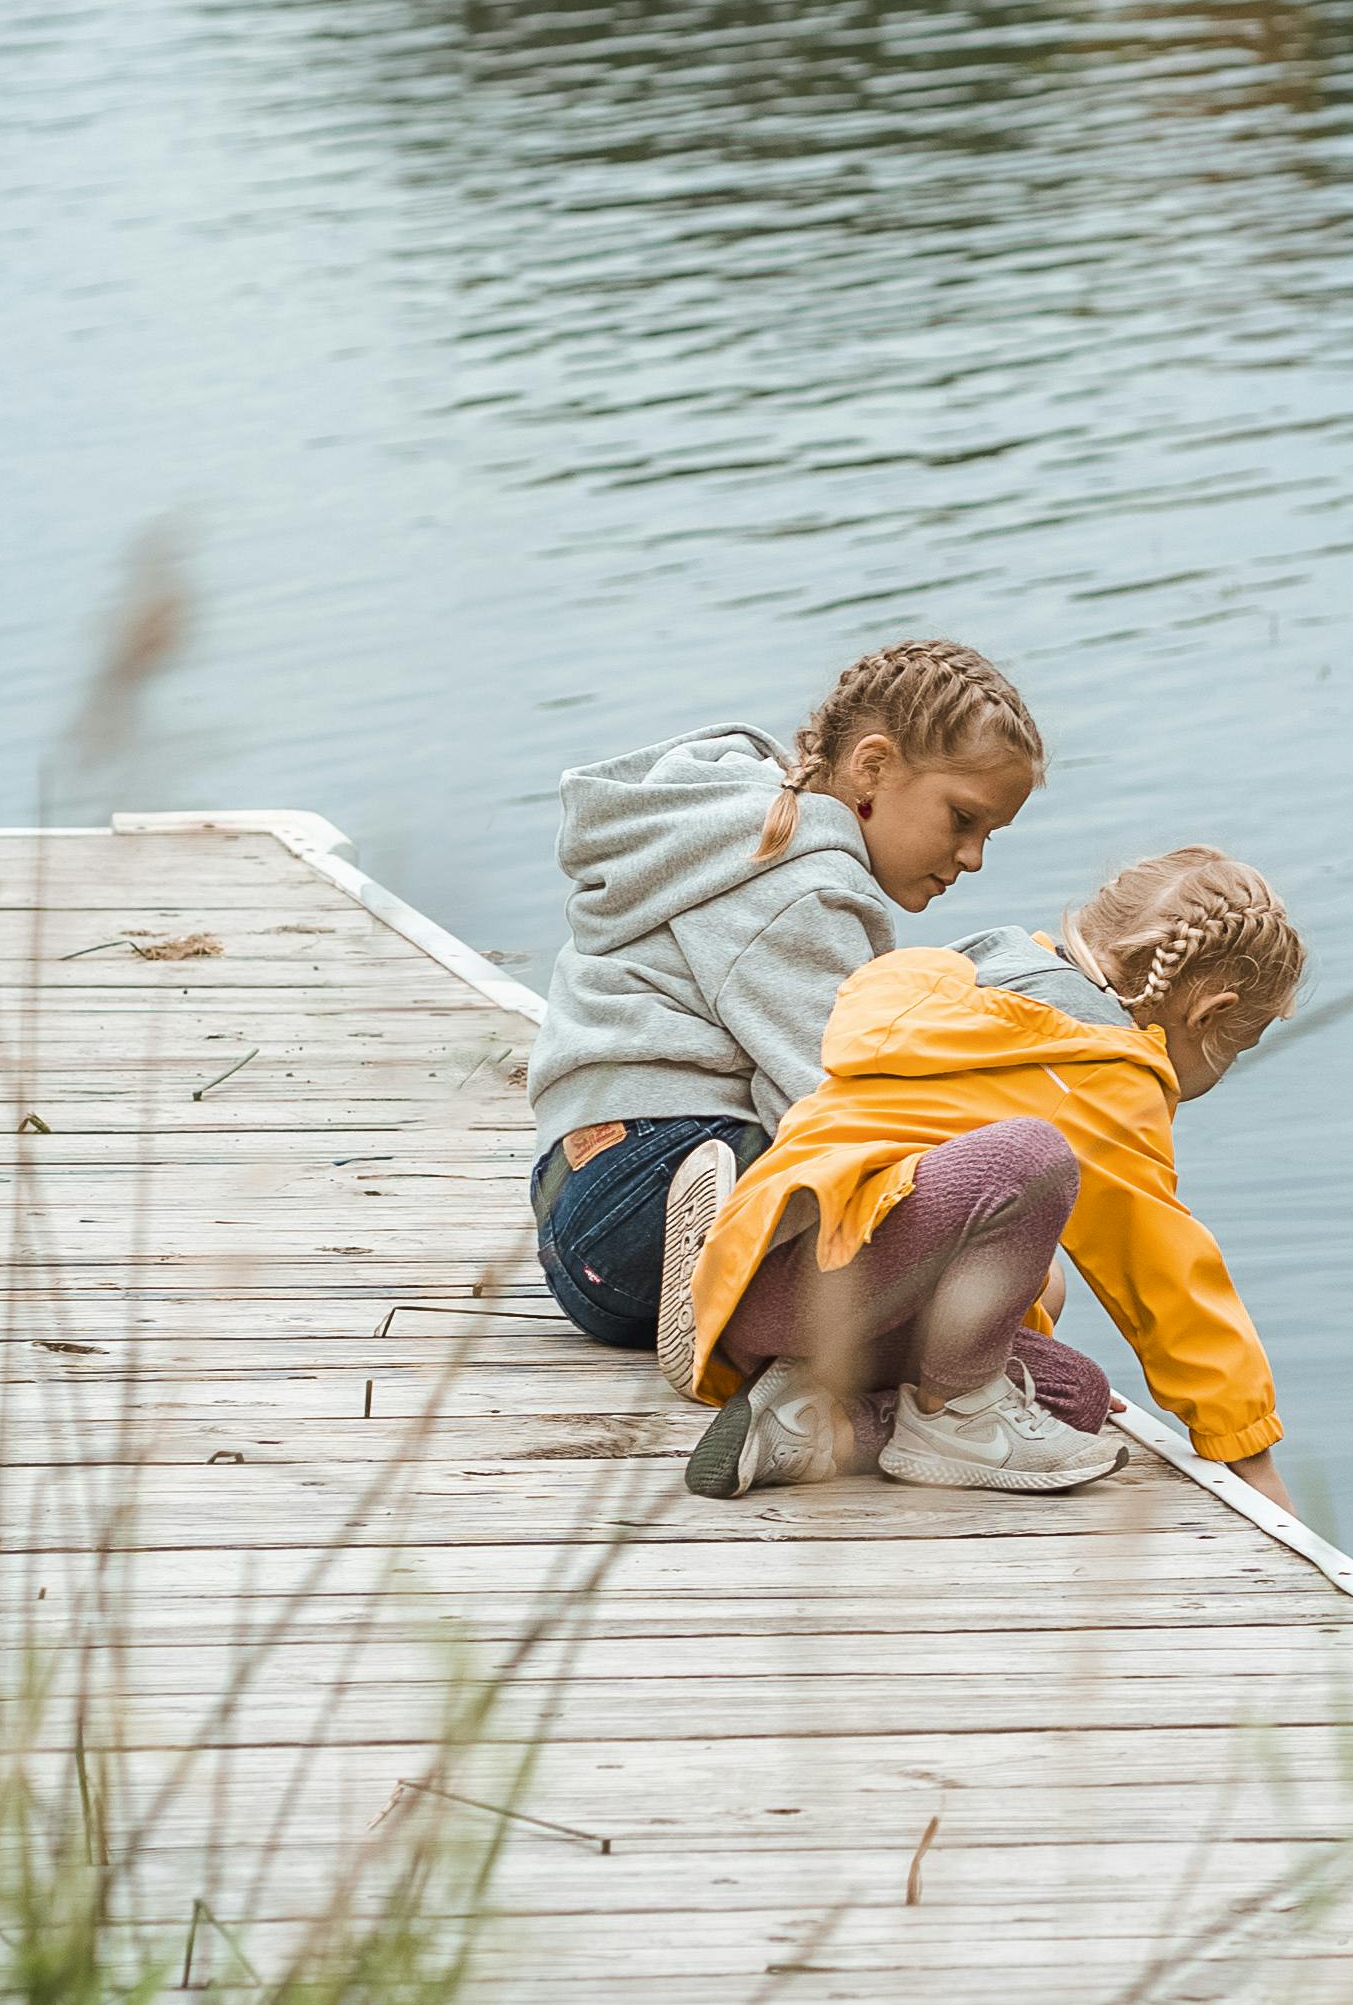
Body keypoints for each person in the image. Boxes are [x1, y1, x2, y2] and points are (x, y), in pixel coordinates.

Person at [672, 847, 1303, 1508]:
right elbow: (1165, 1274)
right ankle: (955, 1416)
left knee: (1076, 1395)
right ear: (1207, 1014)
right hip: (821, 1297)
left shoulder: (978, 984)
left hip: (765, 1279)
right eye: (1239, 1046)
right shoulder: (1102, 1069)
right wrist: (1246, 1447)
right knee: (1027, 1161)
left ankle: (812, 1423)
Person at [521, 640, 1045, 1366]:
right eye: (962, 818)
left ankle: (793, 1332)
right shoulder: (804, 888)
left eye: (989, 834)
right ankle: (738, 1299)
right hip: (655, 1189)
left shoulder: (727, 826)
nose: (974, 856)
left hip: (578, 1192)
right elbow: (837, 1101)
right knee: (962, 1183)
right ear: (873, 766)